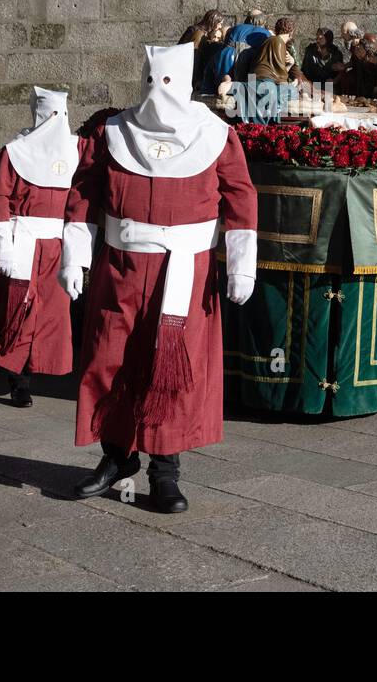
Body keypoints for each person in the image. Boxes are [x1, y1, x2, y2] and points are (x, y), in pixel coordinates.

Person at [62, 43, 257, 514]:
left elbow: (241, 198)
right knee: (111, 358)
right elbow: (83, 194)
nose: (158, 92)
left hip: (185, 273)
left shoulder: (216, 136)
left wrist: (241, 263)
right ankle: (116, 455)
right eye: (151, 81)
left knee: (171, 368)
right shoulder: (112, 133)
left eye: (167, 83)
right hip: (122, 268)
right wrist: (74, 257)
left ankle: (164, 470)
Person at [0, 87, 78, 409]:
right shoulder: (14, 152)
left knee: (44, 318)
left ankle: (22, 382)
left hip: (54, 248)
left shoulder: (75, 150)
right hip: (20, 244)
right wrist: (3, 242)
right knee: (12, 313)